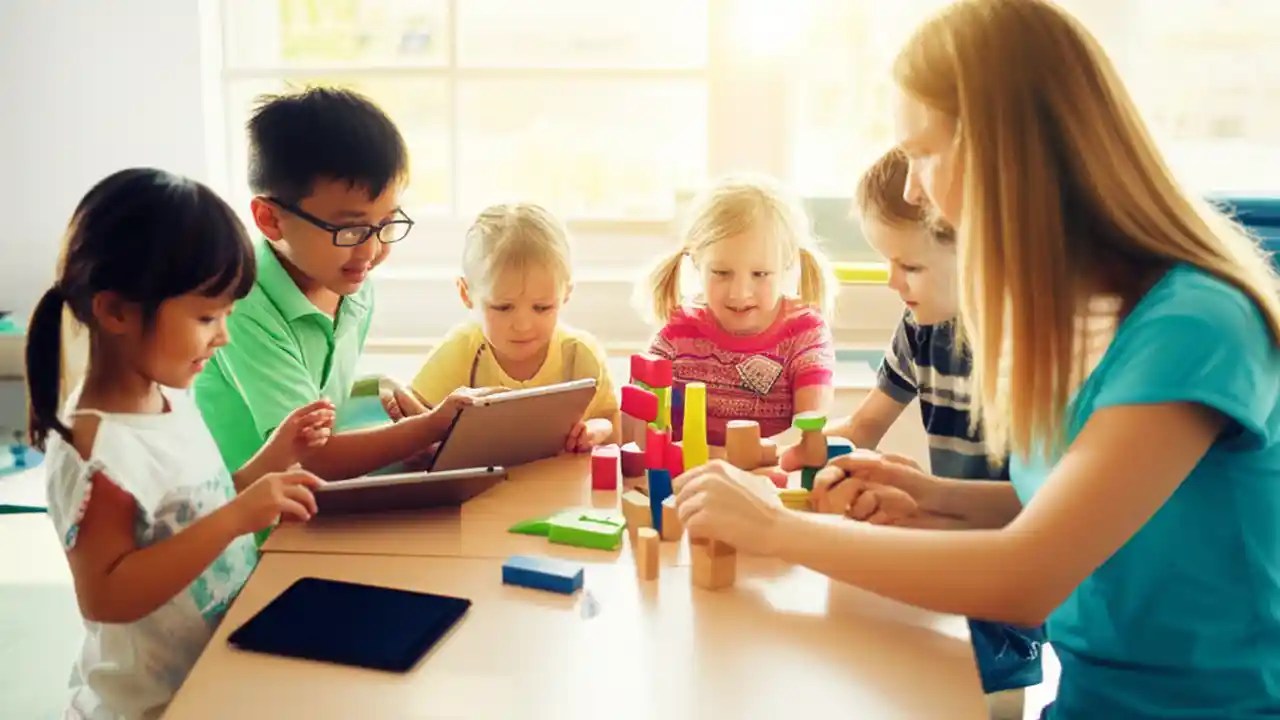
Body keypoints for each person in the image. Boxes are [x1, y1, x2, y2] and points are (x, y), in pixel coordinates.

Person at [674, 1, 1280, 717]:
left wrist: (780, 529)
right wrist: (934, 496)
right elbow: (1060, 507)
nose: (911, 188)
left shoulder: (1196, 324)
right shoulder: (1077, 315)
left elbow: (1028, 575)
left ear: (1011, 152)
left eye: (924, 152)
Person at [26, 168, 330, 718]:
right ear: (116, 311)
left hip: (215, 668)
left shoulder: (170, 401)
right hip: (154, 705)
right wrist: (239, 516)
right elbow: (107, 596)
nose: (224, 335)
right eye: (208, 316)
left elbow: (197, 510)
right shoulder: (98, 451)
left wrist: (273, 460)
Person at [782, 148, 1043, 703]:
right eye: (887, 261)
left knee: (987, 689)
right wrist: (805, 449)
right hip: (946, 537)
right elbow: (867, 423)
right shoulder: (921, 328)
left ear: (981, 253)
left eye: (911, 266)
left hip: (1010, 555)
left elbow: (1043, 505)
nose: (891, 281)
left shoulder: (1027, 348)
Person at [194, 87, 482, 480]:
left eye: (385, 225)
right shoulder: (240, 305)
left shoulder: (350, 280)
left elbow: (321, 407)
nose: (372, 249)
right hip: (247, 529)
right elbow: (310, 455)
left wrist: (382, 394)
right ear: (270, 219)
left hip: (311, 506)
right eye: (351, 230)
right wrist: (430, 427)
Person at [636, 173, 837, 444]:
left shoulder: (805, 334)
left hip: (771, 481)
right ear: (696, 261)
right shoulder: (676, 335)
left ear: (787, 263)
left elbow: (808, 434)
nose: (739, 293)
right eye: (721, 272)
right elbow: (644, 432)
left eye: (760, 274)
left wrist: (735, 460)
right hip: (689, 481)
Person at [404, 203, 619, 452]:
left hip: (561, 487)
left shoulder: (580, 354)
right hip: (484, 490)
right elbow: (412, 414)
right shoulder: (461, 349)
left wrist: (595, 430)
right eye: (503, 307)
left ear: (565, 294)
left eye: (542, 307)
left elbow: (610, 424)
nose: (523, 325)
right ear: (466, 294)